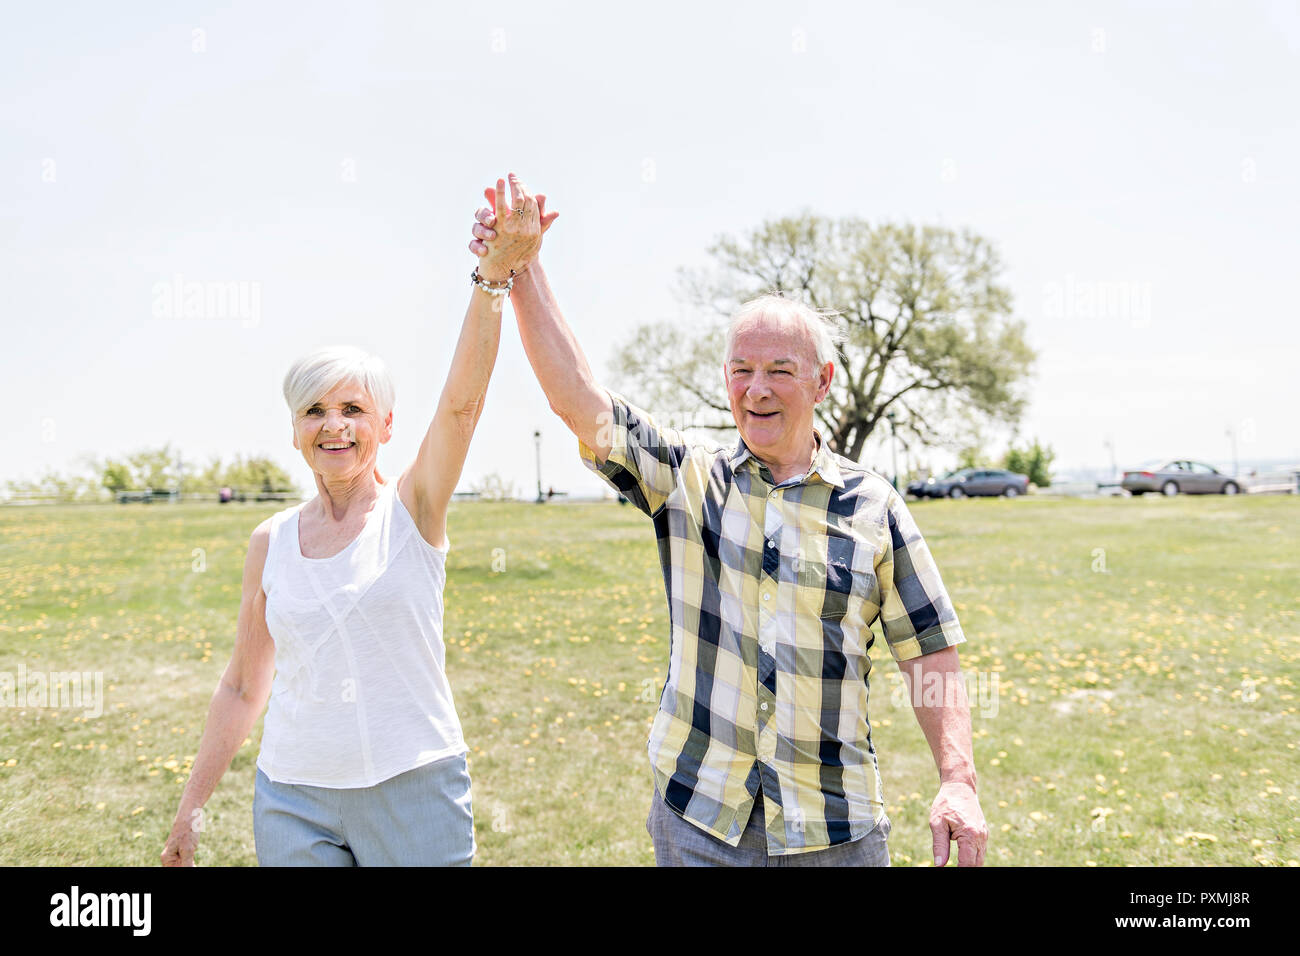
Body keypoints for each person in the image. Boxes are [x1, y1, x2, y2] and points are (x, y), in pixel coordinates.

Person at [469, 199, 988, 867]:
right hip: (699, 821)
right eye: (742, 370)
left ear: (823, 381)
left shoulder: (873, 506)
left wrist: (957, 780)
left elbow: (929, 653)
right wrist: (525, 266)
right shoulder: (687, 478)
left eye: (779, 370)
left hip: (835, 829)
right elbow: (577, 397)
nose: (757, 389)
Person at [161, 173, 556, 866]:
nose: (333, 426)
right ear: (293, 430)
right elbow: (242, 685)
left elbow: (461, 407)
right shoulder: (271, 541)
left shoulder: (415, 510)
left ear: (385, 426)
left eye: (353, 410)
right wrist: (191, 809)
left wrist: (492, 281)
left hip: (416, 789)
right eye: (315, 411)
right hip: (293, 796)